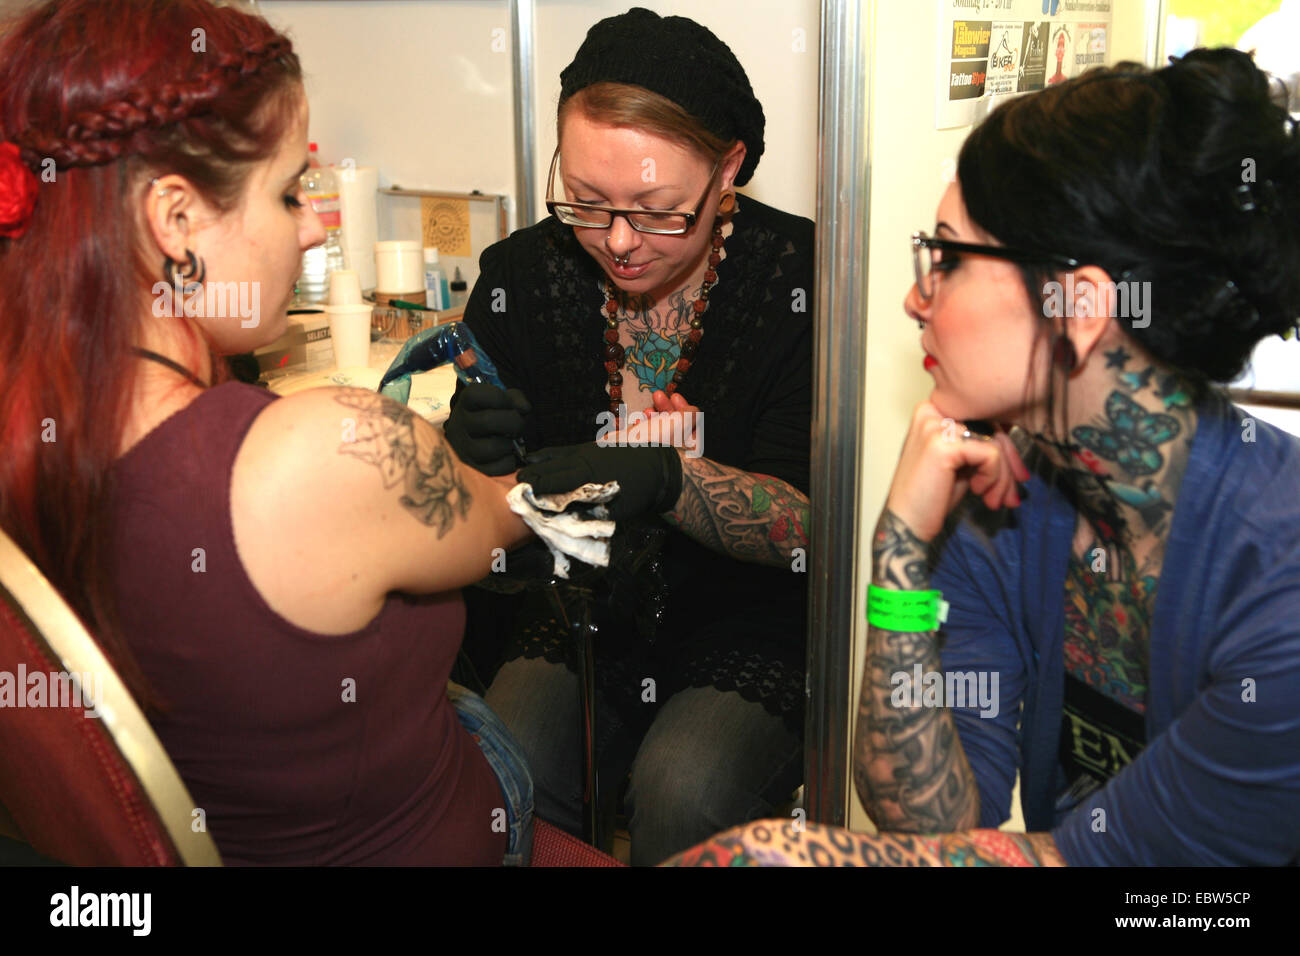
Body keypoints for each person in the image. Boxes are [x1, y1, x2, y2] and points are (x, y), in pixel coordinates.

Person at [665, 48, 1300, 866]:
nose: (914, 298)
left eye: (952, 259)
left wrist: (777, 853)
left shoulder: (1278, 579)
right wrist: (898, 554)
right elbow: (929, 823)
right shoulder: (1015, 491)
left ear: (1078, 307)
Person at [0, 0, 535, 866]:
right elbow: (505, 521)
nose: (316, 223)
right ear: (174, 221)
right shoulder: (315, 451)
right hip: (419, 833)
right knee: (489, 720)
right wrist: (481, 469)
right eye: (289, 192)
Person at [449, 8, 814, 865]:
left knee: (688, 781)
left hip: (749, 624)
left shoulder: (807, 282)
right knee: (508, 759)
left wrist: (671, 480)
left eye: (656, 211)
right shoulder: (518, 279)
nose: (616, 242)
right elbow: (482, 534)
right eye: (586, 201)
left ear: (730, 169)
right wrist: (459, 459)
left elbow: (812, 524)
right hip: (583, 611)